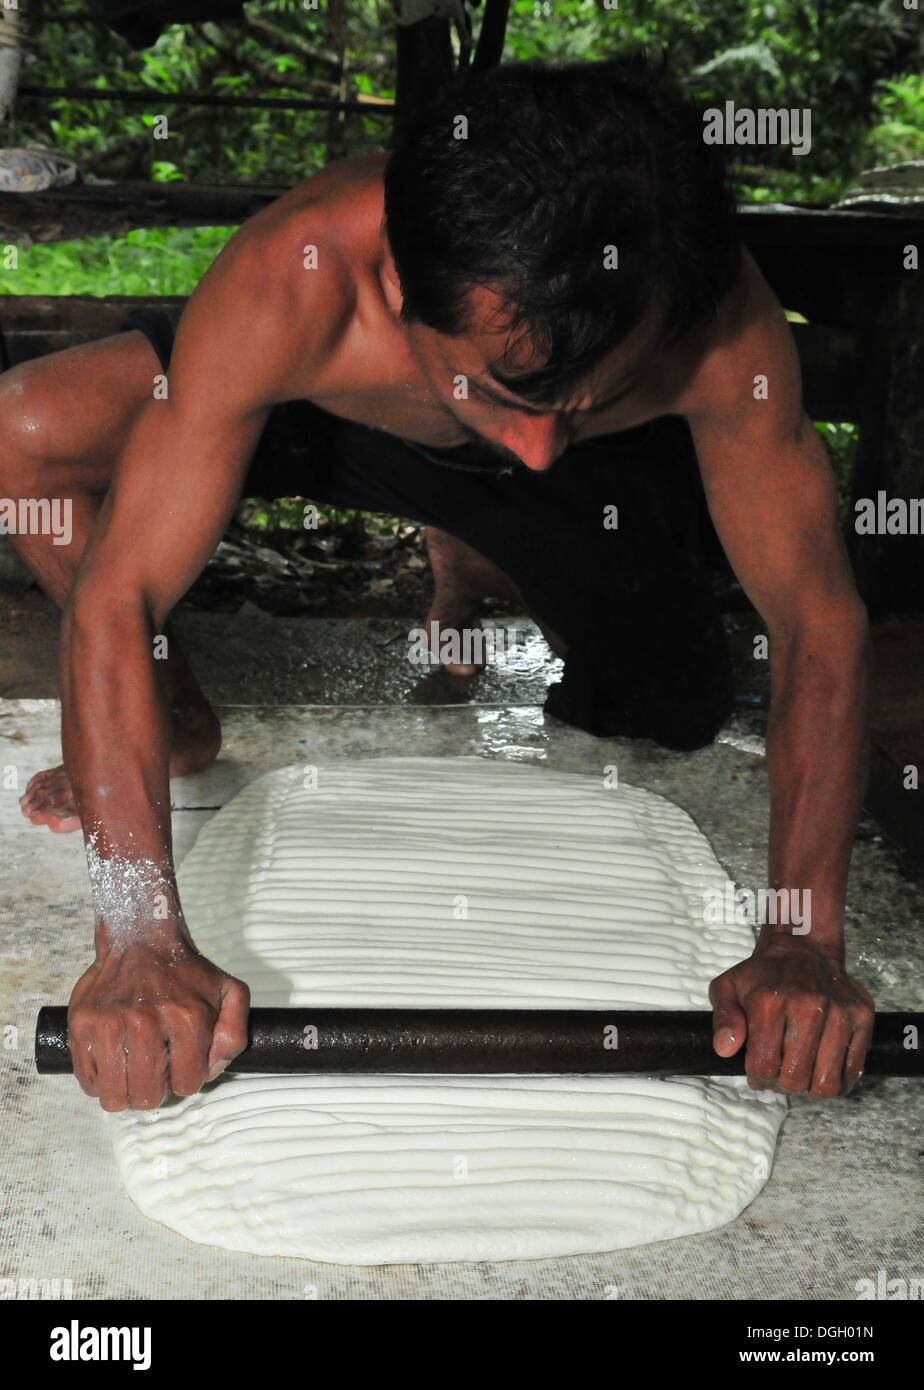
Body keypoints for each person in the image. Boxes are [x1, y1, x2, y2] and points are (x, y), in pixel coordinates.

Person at [6, 57, 873, 1108]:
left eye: (604, 388)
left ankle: (481, 540)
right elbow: (119, 591)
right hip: (325, 417)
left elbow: (817, 617)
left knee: (669, 704)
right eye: (514, 390)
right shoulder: (300, 273)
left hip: (587, 485)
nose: (542, 444)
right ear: (400, 283)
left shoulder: (712, 313)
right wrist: (137, 933)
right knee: (19, 442)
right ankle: (175, 712)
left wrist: (801, 940)